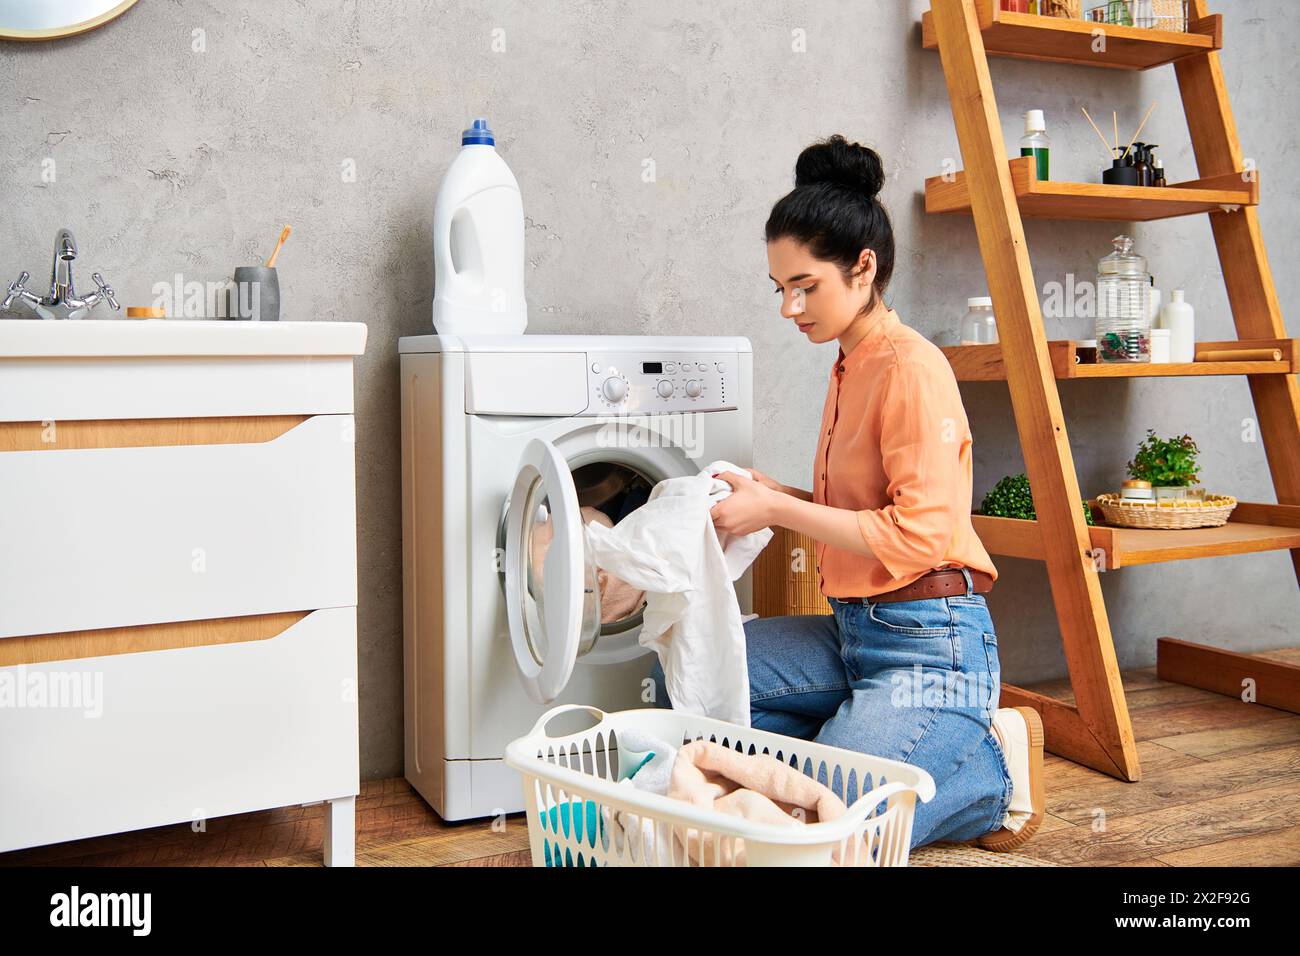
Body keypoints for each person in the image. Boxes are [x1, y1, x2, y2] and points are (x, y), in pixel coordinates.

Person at [649, 134, 1044, 851]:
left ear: (863, 269)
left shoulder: (911, 369)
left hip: (933, 649)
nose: (788, 308)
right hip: (851, 632)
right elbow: (867, 510)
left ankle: (986, 771)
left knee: (834, 835)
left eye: (805, 287)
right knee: (690, 672)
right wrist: (780, 490)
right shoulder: (849, 363)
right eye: (781, 289)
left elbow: (919, 536)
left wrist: (776, 509)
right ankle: (866, 740)